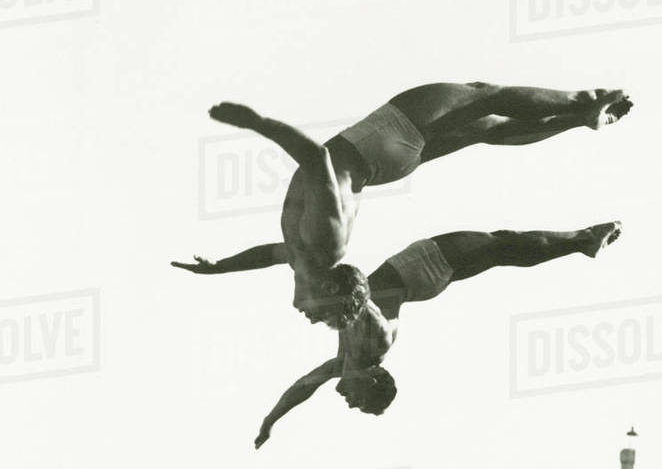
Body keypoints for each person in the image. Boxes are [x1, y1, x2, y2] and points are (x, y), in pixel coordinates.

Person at [172, 83, 632, 327]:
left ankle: (578, 120)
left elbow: (267, 255)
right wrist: (255, 122)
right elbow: (316, 159)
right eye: (319, 313)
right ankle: (587, 101)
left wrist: (220, 268)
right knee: (483, 96)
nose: (307, 316)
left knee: (488, 128)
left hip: (386, 159)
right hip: (381, 143)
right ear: (326, 289)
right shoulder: (324, 246)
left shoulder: (303, 259)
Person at [253, 220, 622, 446]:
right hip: (425, 266)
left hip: (422, 273)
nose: (348, 402)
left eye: (355, 404)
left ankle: (582, 240)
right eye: (359, 401)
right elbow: (365, 303)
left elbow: (302, 387)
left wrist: (271, 420)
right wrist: (335, 290)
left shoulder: (342, 362)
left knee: (504, 245)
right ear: (372, 378)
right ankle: (582, 240)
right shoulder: (376, 345)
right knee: (501, 245)